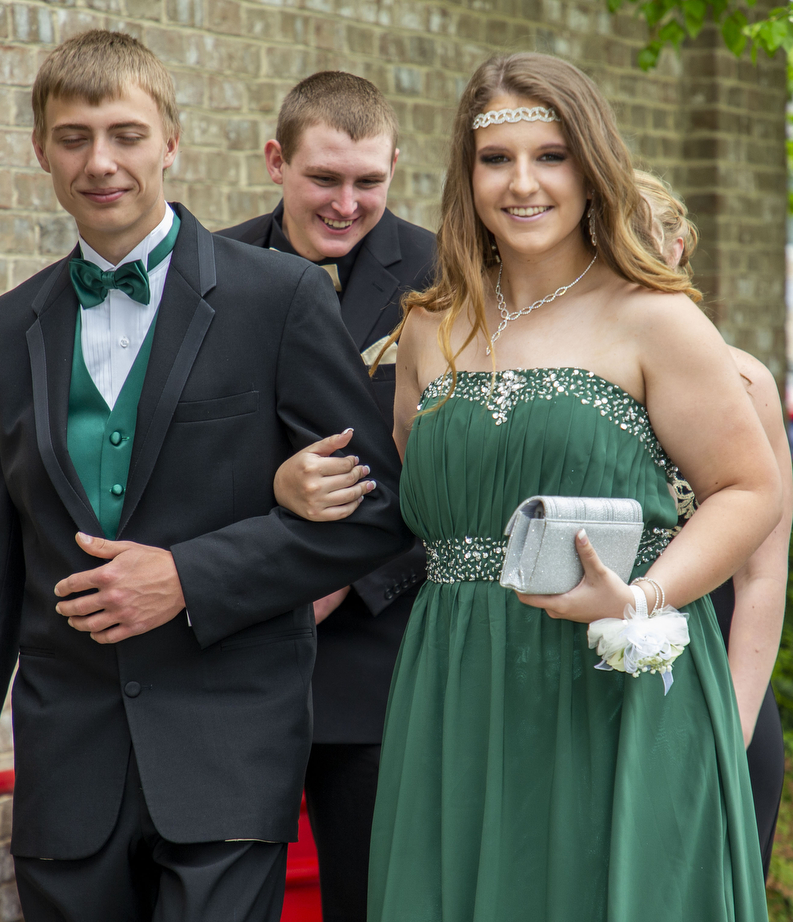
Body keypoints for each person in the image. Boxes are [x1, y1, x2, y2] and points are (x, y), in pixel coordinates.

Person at [0, 31, 411, 922]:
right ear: (41, 151)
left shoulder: (279, 299)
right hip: (69, 771)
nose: (100, 162)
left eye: (126, 134)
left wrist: (188, 577)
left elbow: (378, 513)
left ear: (170, 142)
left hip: (229, 754)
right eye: (73, 137)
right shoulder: (0, 332)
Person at [277, 51, 780, 922]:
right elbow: (409, 497)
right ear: (465, 175)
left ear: (592, 166)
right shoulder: (429, 327)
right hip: (454, 676)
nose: (522, 184)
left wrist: (642, 596)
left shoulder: (656, 318)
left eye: (550, 156)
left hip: (608, 679)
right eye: (496, 159)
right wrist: (293, 484)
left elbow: (748, 490)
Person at [217, 71, 435, 922]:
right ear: (277, 161)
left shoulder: (445, 273)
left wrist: (346, 576)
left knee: (373, 900)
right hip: (235, 651)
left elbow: (465, 466)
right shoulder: (211, 266)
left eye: (368, 183)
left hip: (383, 654)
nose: (346, 204)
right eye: (324, 179)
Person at [636, 169, 791, 876]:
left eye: (644, 241)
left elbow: (762, 572)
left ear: (676, 248)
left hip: (716, 665)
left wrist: (734, 723)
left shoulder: (743, 380)